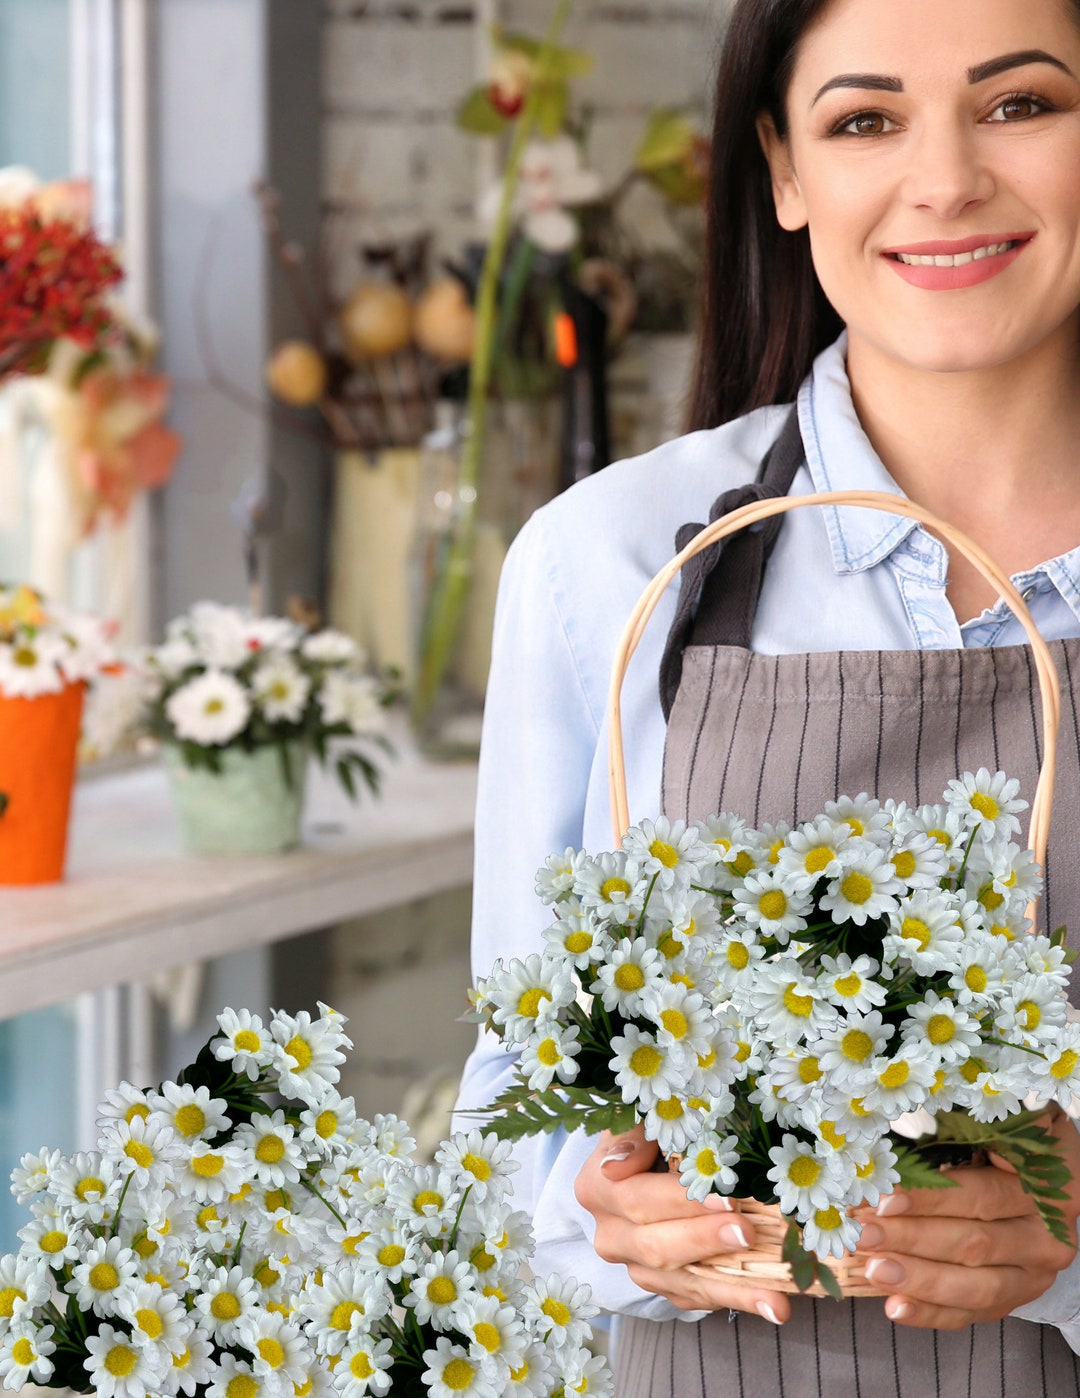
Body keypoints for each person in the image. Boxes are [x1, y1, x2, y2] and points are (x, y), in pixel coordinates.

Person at [456, 0, 1080, 1391]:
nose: (946, 180)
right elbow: (509, 1123)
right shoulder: (609, 565)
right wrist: (606, 1216)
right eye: (865, 120)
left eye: (1022, 105)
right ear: (785, 172)